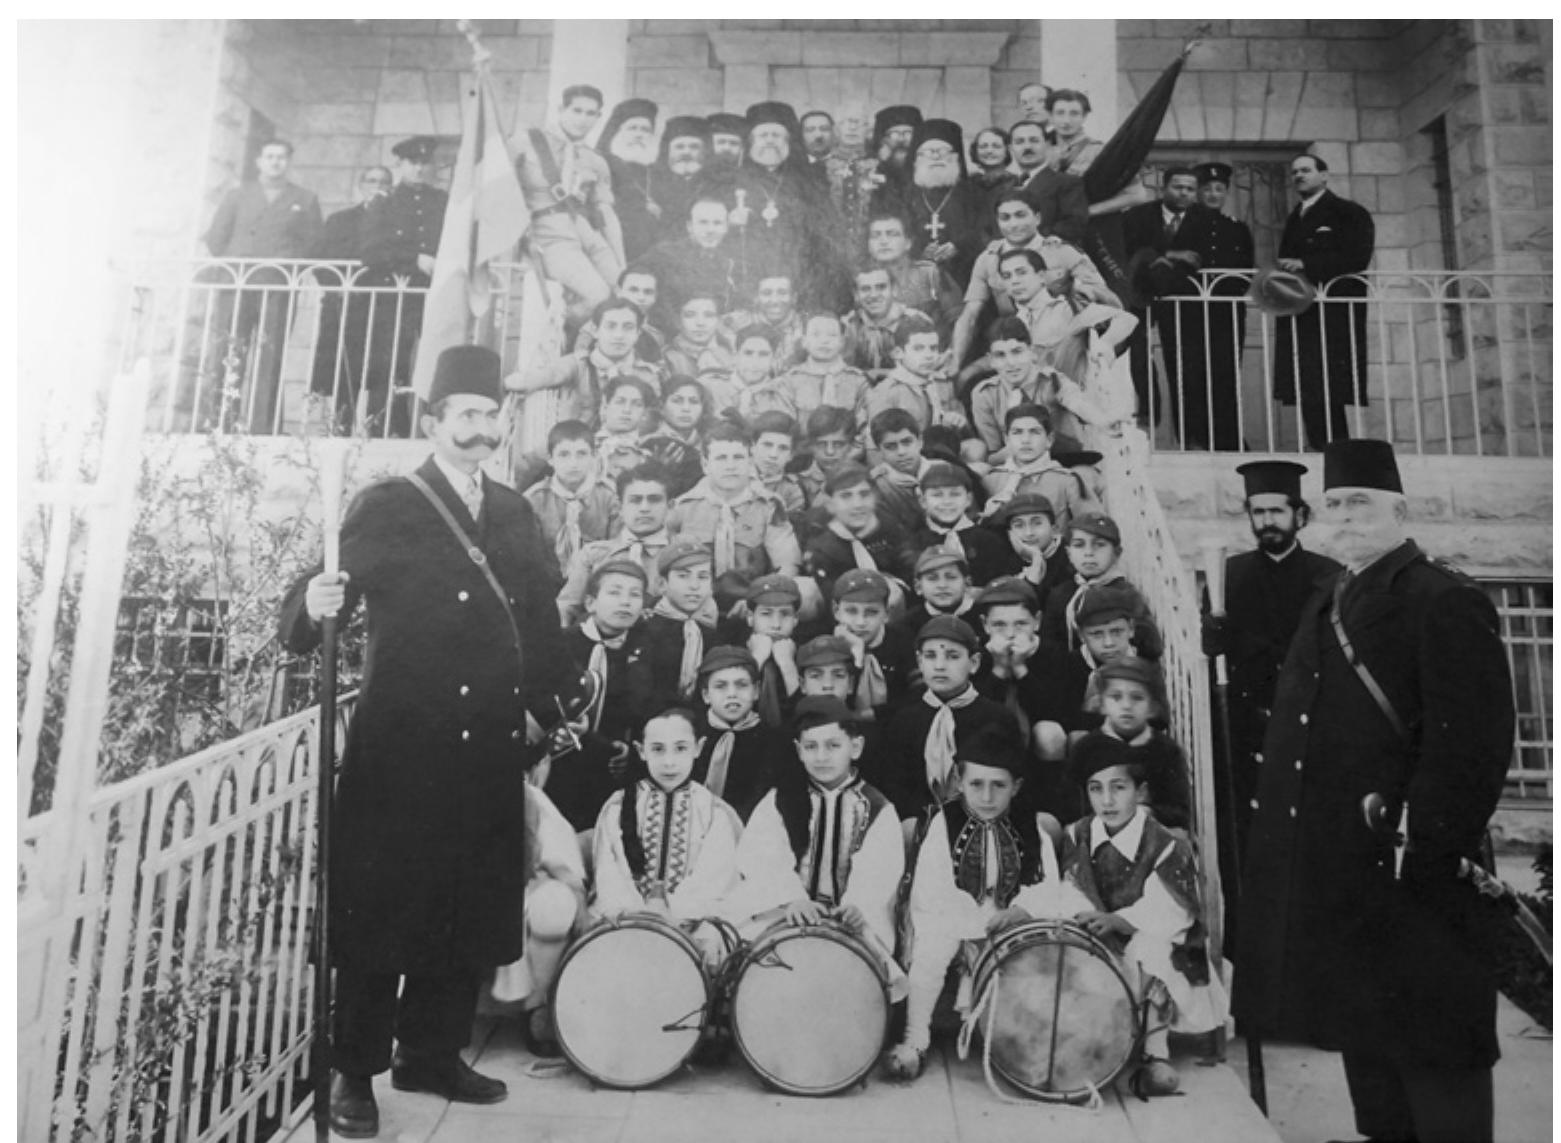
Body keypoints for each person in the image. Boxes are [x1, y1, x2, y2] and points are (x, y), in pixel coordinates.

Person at [277, 346, 567, 1134]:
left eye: (491, 414)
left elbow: (543, 622)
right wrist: (317, 597)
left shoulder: (513, 511)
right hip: (400, 750)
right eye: (466, 414)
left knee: (466, 906)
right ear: (434, 421)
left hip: (484, 753)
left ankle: (431, 1052)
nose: (482, 429)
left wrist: (543, 706)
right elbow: (301, 622)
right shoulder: (388, 503)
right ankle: (356, 1073)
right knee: (381, 914)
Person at [1236, 440, 1514, 1143]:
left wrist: (1427, 848)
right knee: (1365, 1022)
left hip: (1413, 862)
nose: (1344, 515)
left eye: (1359, 501)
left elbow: (1472, 744)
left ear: (1398, 510)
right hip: (1343, 860)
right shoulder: (1329, 596)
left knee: (1432, 1029)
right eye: (1333, 503)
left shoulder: (1440, 598)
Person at [884, 721, 1076, 1081]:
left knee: (1031, 960)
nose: (986, 797)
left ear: (1016, 787)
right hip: (951, 915)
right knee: (932, 954)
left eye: (998, 786)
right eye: (976, 785)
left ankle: (1019, 1040)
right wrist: (972, 928)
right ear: (959, 782)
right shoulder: (943, 824)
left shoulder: (1031, 828)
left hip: (1012, 917)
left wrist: (1022, 910)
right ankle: (916, 1037)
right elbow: (932, 889)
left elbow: (1048, 884)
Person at [1201, 459, 1339, 927]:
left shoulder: (1330, 576)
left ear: (1300, 516)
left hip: (1307, 726)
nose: (1267, 523)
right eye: (1258, 513)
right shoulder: (1229, 574)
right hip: (1245, 727)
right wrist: (1212, 635)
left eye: (1277, 512)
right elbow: (1213, 658)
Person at [1061, 735, 1229, 1098]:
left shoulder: (1166, 843)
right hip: (1103, 935)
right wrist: (1085, 916)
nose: (1106, 800)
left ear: (1140, 792)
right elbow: (1071, 886)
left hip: (1155, 939)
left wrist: (1122, 921)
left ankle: (1156, 1051)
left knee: (1149, 949)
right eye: (1096, 789)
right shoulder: (1078, 835)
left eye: (1118, 788)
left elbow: (1173, 908)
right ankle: (1098, 1040)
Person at [724, 695, 907, 1000]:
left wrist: (857, 908)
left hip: (850, 919)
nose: (822, 757)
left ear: (856, 747)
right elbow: (763, 858)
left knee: (863, 976)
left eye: (833, 745)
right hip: (788, 913)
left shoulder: (876, 808)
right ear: (798, 750)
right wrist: (793, 899)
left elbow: (880, 872)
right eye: (811, 747)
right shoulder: (781, 800)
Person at [202, 139, 324, 433]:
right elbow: (216, 237)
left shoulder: (304, 199)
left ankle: (263, 424)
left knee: (271, 352)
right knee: (230, 349)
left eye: (281, 157)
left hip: (278, 286)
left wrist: (288, 264)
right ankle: (222, 419)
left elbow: (314, 243)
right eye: (269, 157)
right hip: (238, 284)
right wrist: (238, 261)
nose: (275, 162)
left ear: (289, 163)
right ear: (259, 161)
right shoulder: (237, 196)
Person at [591, 706, 741, 937]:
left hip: (693, 922)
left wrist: (674, 913)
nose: (669, 762)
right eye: (658, 749)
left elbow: (715, 875)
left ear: (698, 748)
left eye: (681, 748)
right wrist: (638, 915)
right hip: (626, 921)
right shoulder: (618, 806)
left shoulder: (714, 811)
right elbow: (609, 873)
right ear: (641, 751)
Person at [1121, 166, 1233, 447]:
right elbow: (1126, 251)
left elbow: (1206, 259)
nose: (1184, 193)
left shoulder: (1209, 220)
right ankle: (1145, 425)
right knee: (1136, 360)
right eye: (1177, 187)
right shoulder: (1138, 216)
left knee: (1186, 369)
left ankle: (1189, 438)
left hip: (1185, 303)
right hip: (1141, 299)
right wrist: (1165, 254)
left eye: (1190, 189)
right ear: (1163, 187)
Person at [1273, 154, 1377, 449]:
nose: (1299, 176)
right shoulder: (1295, 217)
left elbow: (1357, 257)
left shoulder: (1348, 213)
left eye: (1306, 170)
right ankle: (1321, 449)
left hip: (1332, 312)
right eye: (1294, 172)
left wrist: (1306, 263)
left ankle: (1337, 452)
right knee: (1306, 385)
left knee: (1329, 385)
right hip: (1300, 310)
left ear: (1324, 175)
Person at [546, 559, 656, 831]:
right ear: (591, 603)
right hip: (559, 764)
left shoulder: (645, 652)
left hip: (613, 770)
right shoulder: (562, 644)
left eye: (635, 595)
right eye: (615, 592)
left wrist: (629, 750)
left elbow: (646, 711)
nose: (625, 602)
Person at [881, 616, 1010, 820]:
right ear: (919, 662)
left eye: (952, 656)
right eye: (930, 656)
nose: (940, 666)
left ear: (974, 663)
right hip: (921, 821)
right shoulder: (906, 719)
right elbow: (898, 787)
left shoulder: (996, 717)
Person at [515, 85, 624, 324]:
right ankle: (554, 333)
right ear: (561, 109)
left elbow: (606, 213)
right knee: (597, 296)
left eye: (590, 114)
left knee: (623, 294)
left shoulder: (594, 159)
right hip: (548, 233)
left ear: (598, 117)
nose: (583, 119)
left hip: (585, 232)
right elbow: (501, 193)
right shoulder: (527, 142)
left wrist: (622, 264)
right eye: (577, 110)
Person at [728, 101, 847, 309]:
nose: (770, 142)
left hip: (800, 279)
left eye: (776, 136)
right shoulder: (732, 181)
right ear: (751, 142)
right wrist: (730, 221)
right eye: (763, 136)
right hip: (747, 279)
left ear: (789, 142)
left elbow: (826, 235)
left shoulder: (811, 180)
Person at [1070, 655, 1191, 831]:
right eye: (1116, 697)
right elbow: (1073, 807)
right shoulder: (1087, 748)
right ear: (1102, 704)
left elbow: (1179, 812)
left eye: (1137, 698)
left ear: (1152, 707)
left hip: (1150, 835)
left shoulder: (1165, 750)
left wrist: (1143, 812)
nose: (1126, 705)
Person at [310, 165, 390, 430]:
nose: (377, 186)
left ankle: (380, 430)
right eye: (371, 180)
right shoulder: (340, 220)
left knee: (381, 372)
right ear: (361, 186)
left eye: (383, 182)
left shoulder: (396, 221)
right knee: (342, 371)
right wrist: (340, 286)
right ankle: (341, 427)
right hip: (344, 305)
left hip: (382, 308)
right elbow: (321, 262)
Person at [874, 119, 990, 292]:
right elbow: (897, 231)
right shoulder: (905, 195)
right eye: (928, 151)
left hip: (967, 274)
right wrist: (920, 249)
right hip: (914, 276)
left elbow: (984, 230)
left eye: (942, 151)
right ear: (916, 159)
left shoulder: (974, 193)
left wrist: (957, 246)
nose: (936, 156)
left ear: (956, 156)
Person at [557, 463, 674, 626]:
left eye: (654, 500)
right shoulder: (593, 555)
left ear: (670, 506)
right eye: (635, 500)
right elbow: (567, 608)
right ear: (620, 506)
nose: (644, 508)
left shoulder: (678, 555)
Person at [1191, 160, 1256, 450]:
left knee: (1226, 372)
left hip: (1226, 311)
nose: (1213, 195)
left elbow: (1246, 269)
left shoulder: (1237, 229)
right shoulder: (1187, 225)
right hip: (1192, 311)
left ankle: (1229, 438)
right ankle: (1198, 437)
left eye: (1219, 189)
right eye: (1207, 189)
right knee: (1194, 373)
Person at [695, 644, 792, 818]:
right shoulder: (692, 735)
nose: (732, 694)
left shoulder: (774, 742)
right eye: (720, 686)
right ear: (706, 695)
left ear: (755, 691)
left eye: (741, 685)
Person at [525, 420, 619, 572]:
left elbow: (617, 551)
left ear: (594, 456)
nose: (573, 464)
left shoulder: (610, 496)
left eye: (581, 454)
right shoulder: (534, 499)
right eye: (564, 455)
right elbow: (529, 556)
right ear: (550, 458)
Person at [641, 537, 719, 707]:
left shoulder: (716, 628)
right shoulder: (645, 626)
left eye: (703, 576)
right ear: (662, 584)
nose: (694, 585)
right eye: (683, 576)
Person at [635, 195, 742, 317]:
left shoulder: (727, 262)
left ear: (726, 227)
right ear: (690, 226)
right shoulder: (664, 254)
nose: (710, 230)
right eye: (703, 222)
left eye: (717, 223)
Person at [911, 462, 1012, 588]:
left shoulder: (989, 541)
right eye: (937, 495)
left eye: (955, 494)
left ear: (968, 499)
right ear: (923, 501)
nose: (947, 502)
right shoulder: (913, 543)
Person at [841, 265, 936, 381]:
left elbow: (928, 371)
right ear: (856, 294)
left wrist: (879, 374)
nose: (874, 295)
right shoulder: (850, 325)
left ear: (894, 290)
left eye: (881, 287)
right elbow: (843, 370)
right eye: (865, 289)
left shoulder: (916, 320)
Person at [597, 98, 663, 265]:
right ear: (616, 132)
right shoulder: (601, 165)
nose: (639, 134)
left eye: (646, 129)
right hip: (610, 249)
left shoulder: (657, 171)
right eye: (632, 128)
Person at [1009, 121, 1089, 246]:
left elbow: (1073, 225)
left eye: (1034, 140)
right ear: (1011, 148)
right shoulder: (1009, 185)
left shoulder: (1067, 183)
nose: (1027, 147)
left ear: (1047, 145)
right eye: (1020, 142)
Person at [967, 126, 1016, 199]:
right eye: (983, 146)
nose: (989, 151)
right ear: (975, 151)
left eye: (996, 146)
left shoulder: (1015, 183)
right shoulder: (969, 184)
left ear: (1007, 151)